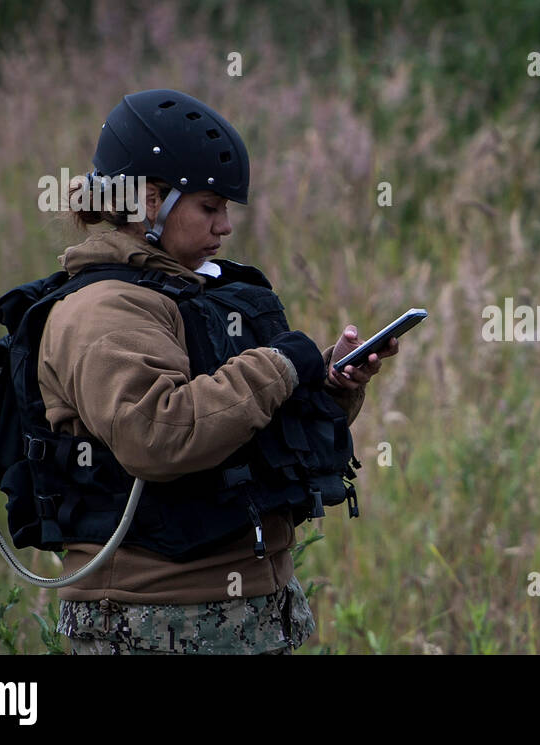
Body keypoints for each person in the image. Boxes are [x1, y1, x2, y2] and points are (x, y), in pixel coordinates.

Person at [37, 89, 397, 654]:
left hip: (248, 614)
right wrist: (278, 365)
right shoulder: (103, 309)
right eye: (209, 207)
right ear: (151, 202)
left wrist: (327, 386)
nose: (224, 226)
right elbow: (158, 434)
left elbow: (243, 427)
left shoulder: (194, 292)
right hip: (153, 625)